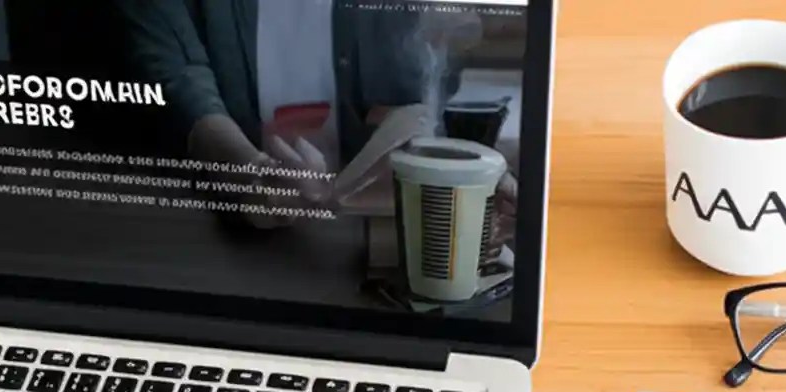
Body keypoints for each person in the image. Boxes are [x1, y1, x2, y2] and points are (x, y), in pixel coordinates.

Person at [114, 0, 516, 233]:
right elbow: (178, 79)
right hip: (201, 235)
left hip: (359, 242)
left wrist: (461, 169)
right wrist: (250, 172)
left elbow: (412, 94)